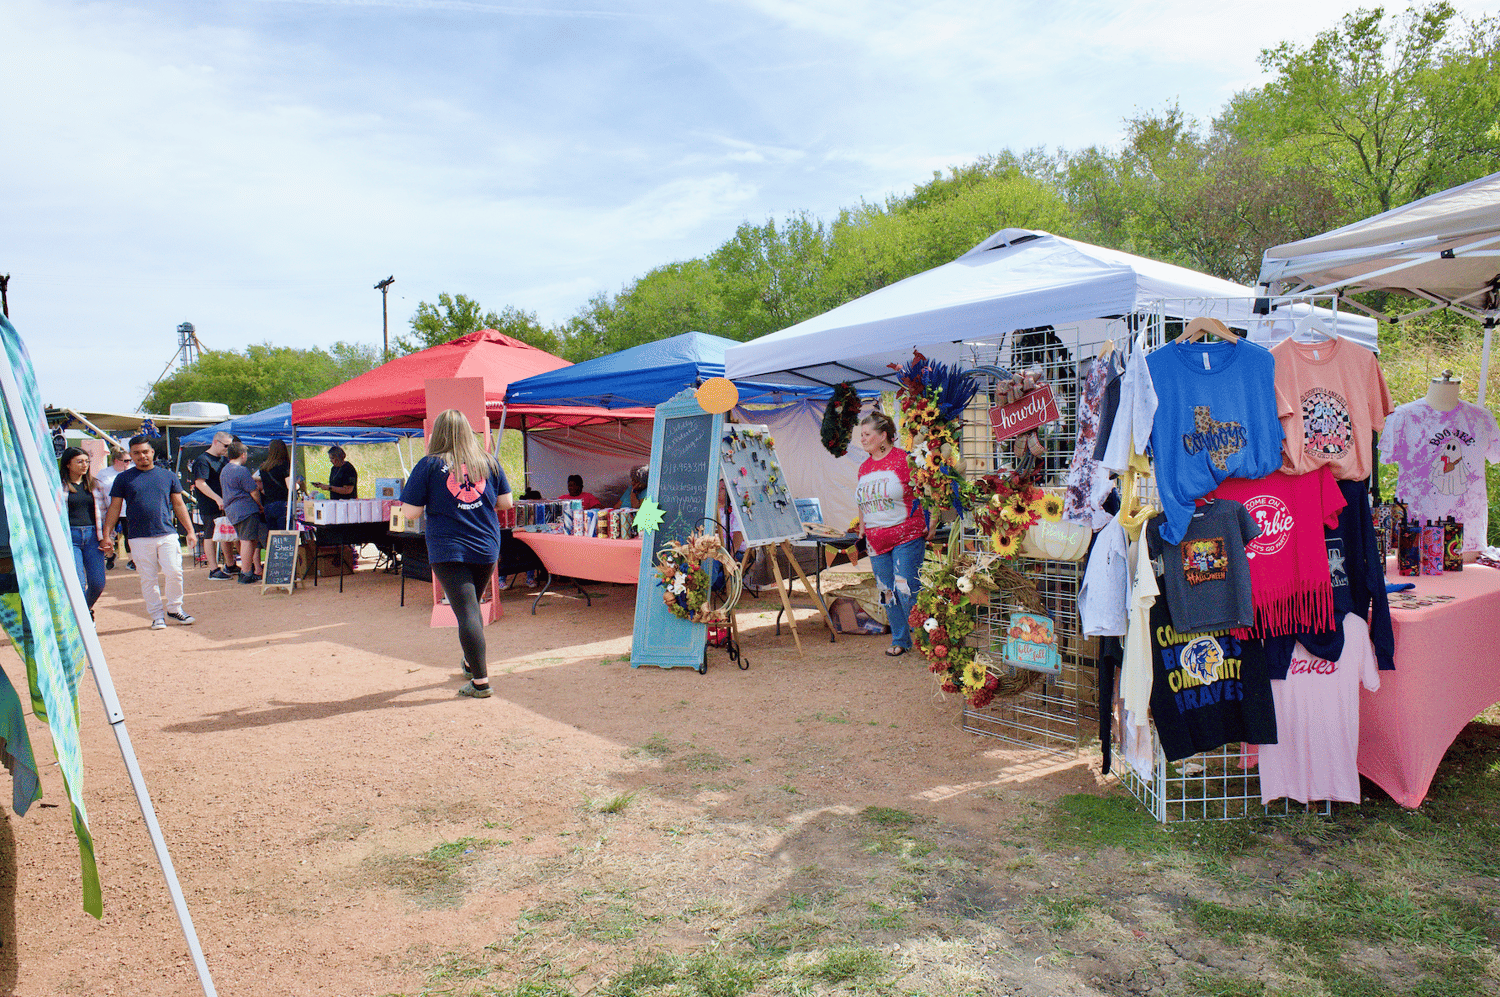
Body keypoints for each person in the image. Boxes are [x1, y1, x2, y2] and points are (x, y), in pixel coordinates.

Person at [399, 409, 514, 699]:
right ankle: (470, 663)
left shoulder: (428, 465)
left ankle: (480, 682)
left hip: (448, 548)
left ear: (436, 434)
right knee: (471, 608)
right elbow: (506, 503)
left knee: (467, 613)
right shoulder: (488, 462)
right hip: (486, 545)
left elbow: (411, 512)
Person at [854, 411, 932, 657]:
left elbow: (925, 491)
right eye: (861, 435)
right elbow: (862, 500)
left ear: (883, 436)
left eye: (867, 434)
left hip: (906, 535)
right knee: (886, 591)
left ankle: (928, 638)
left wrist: (930, 521)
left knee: (906, 588)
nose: (862, 439)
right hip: (876, 540)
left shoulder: (904, 460)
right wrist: (862, 528)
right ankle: (900, 639)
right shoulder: (864, 468)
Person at [101, 435, 197, 630]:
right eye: (136, 453)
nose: (142, 456)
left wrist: (190, 531)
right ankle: (156, 616)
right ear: (131, 455)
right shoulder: (123, 478)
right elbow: (114, 507)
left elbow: (179, 504)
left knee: (175, 572)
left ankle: (175, 608)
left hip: (166, 532)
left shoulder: (167, 476)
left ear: (152, 452)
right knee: (148, 578)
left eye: (145, 451)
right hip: (138, 536)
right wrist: (107, 534)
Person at [59, 447, 109, 617]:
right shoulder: (58, 486)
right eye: (79, 461)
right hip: (70, 537)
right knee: (78, 583)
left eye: (87, 461)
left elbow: (105, 511)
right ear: (68, 464)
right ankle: (81, 621)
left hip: (93, 536)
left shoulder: (96, 485)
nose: (84, 465)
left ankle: (83, 612)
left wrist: (107, 537)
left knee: (97, 583)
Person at [192, 431, 237, 579]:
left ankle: (230, 565)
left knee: (226, 533)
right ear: (216, 442)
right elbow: (200, 483)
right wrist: (217, 498)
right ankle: (213, 569)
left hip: (225, 504)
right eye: (226, 446)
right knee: (210, 534)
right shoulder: (203, 460)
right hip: (209, 505)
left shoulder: (224, 460)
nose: (227, 449)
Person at [220, 442, 266, 584]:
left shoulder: (224, 470)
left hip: (231, 510)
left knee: (248, 539)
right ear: (243, 455)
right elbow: (254, 491)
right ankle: (246, 573)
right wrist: (260, 505)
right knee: (247, 541)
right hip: (246, 509)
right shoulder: (242, 470)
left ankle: (247, 571)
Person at [93, 447, 127, 570]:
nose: (128, 463)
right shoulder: (104, 473)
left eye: (129, 460)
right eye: (125, 460)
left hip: (127, 510)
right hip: (110, 508)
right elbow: (96, 488)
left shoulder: (131, 472)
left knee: (130, 535)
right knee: (107, 535)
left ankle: (133, 559)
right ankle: (110, 555)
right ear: (117, 461)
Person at [258, 439, 294, 531]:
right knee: (285, 534)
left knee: (273, 535)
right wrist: (297, 485)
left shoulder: (263, 468)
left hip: (268, 505)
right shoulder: (284, 465)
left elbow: (263, 487)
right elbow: (290, 486)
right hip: (282, 504)